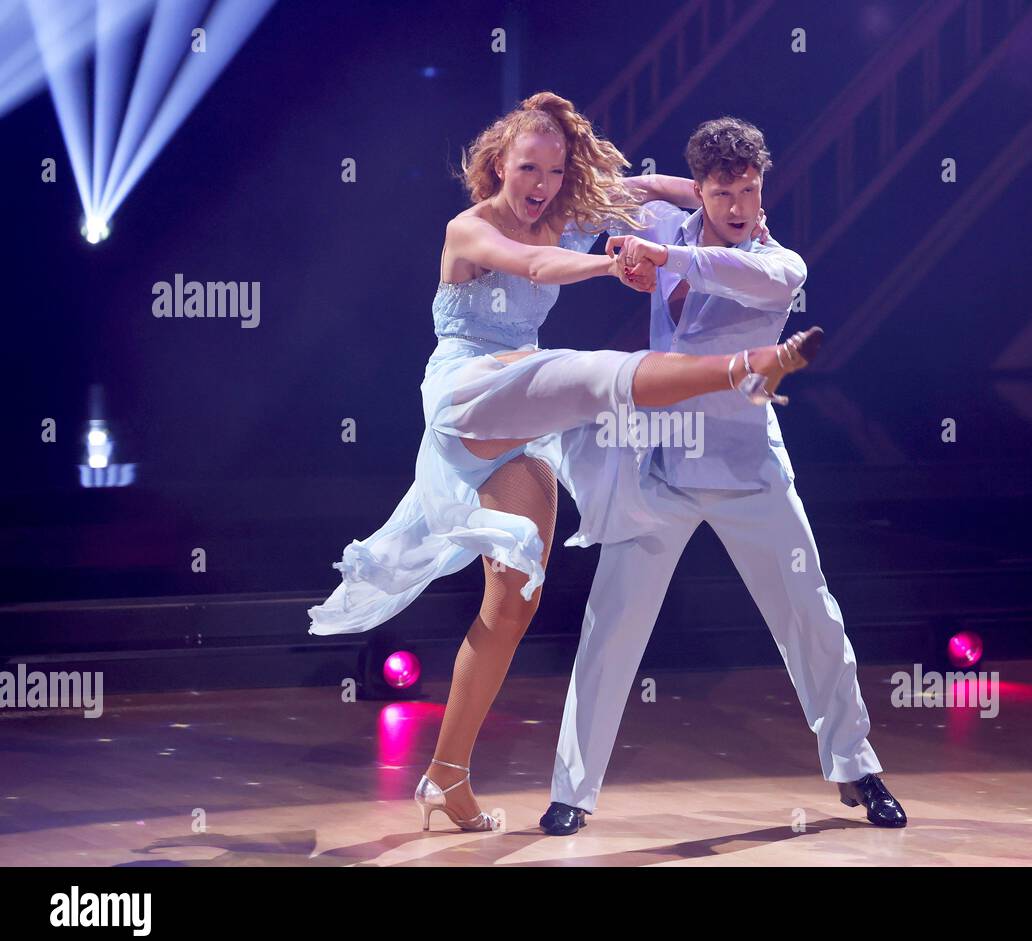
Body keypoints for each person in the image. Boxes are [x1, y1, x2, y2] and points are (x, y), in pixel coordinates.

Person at [306, 93, 823, 832]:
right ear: (498, 165)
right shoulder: (471, 228)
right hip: (470, 396)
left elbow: (662, 191)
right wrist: (610, 266)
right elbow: (534, 264)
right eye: (527, 168)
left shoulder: (573, 207)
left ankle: (446, 773)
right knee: (591, 375)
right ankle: (750, 366)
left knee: (515, 600)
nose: (541, 184)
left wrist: (734, 218)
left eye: (554, 170)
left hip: (526, 419)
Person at [540, 116, 906, 836]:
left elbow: (717, 267)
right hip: (660, 468)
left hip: (749, 471)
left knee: (812, 616)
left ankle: (858, 769)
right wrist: (659, 202)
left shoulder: (779, 266)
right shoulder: (669, 220)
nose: (740, 207)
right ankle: (571, 793)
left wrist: (665, 250)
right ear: (700, 191)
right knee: (610, 627)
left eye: (750, 189)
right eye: (723, 192)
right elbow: (617, 191)